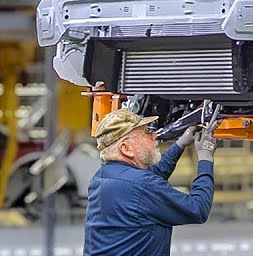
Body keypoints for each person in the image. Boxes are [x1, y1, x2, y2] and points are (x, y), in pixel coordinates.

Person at [82, 109, 220, 256]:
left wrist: (180, 144)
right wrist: (206, 157)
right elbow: (197, 209)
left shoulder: (103, 177)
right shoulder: (141, 185)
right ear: (126, 148)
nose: (154, 136)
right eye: (147, 133)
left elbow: (152, 175)